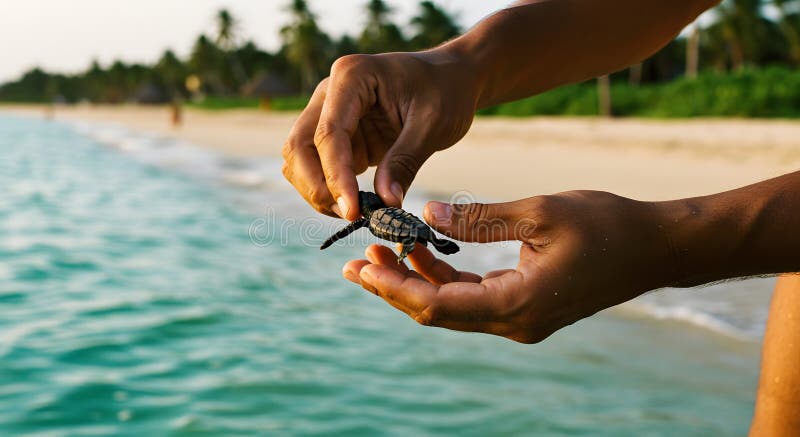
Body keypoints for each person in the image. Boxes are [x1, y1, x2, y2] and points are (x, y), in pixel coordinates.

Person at [280, 0, 799, 431]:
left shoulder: (376, 211)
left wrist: (664, 243)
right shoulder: (388, 210)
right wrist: (461, 64)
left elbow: (365, 219)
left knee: (416, 237)